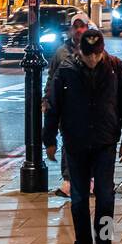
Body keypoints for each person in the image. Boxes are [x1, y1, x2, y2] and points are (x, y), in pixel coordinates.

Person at [44, 29, 122, 244]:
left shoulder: (115, 68)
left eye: (96, 54)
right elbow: (53, 107)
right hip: (76, 143)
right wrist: (49, 139)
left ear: (102, 50)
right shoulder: (66, 70)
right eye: (88, 55)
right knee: (79, 198)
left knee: (106, 196)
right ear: (79, 51)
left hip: (106, 142)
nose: (93, 59)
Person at [46, 12, 92, 199]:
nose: (79, 30)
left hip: (90, 105)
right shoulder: (61, 52)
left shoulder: (95, 49)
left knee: (90, 142)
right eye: (76, 26)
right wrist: (47, 100)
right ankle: (69, 180)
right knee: (68, 142)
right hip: (67, 105)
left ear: (88, 28)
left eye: (83, 26)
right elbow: (52, 78)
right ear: (71, 29)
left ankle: (89, 179)